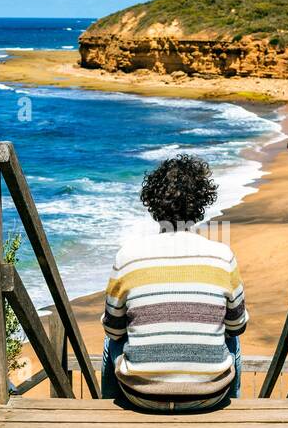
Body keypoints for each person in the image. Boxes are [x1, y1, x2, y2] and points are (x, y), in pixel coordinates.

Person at [100, 155, 247, 412]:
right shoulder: (222, 256)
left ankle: (109, 409)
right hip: (209, 396)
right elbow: (237, 326)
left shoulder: (127, 256)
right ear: (200, 203)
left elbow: (113, 331)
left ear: (154, 204)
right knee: (232, 341)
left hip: (140, 396)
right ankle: (233, 407)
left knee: (111, 342)